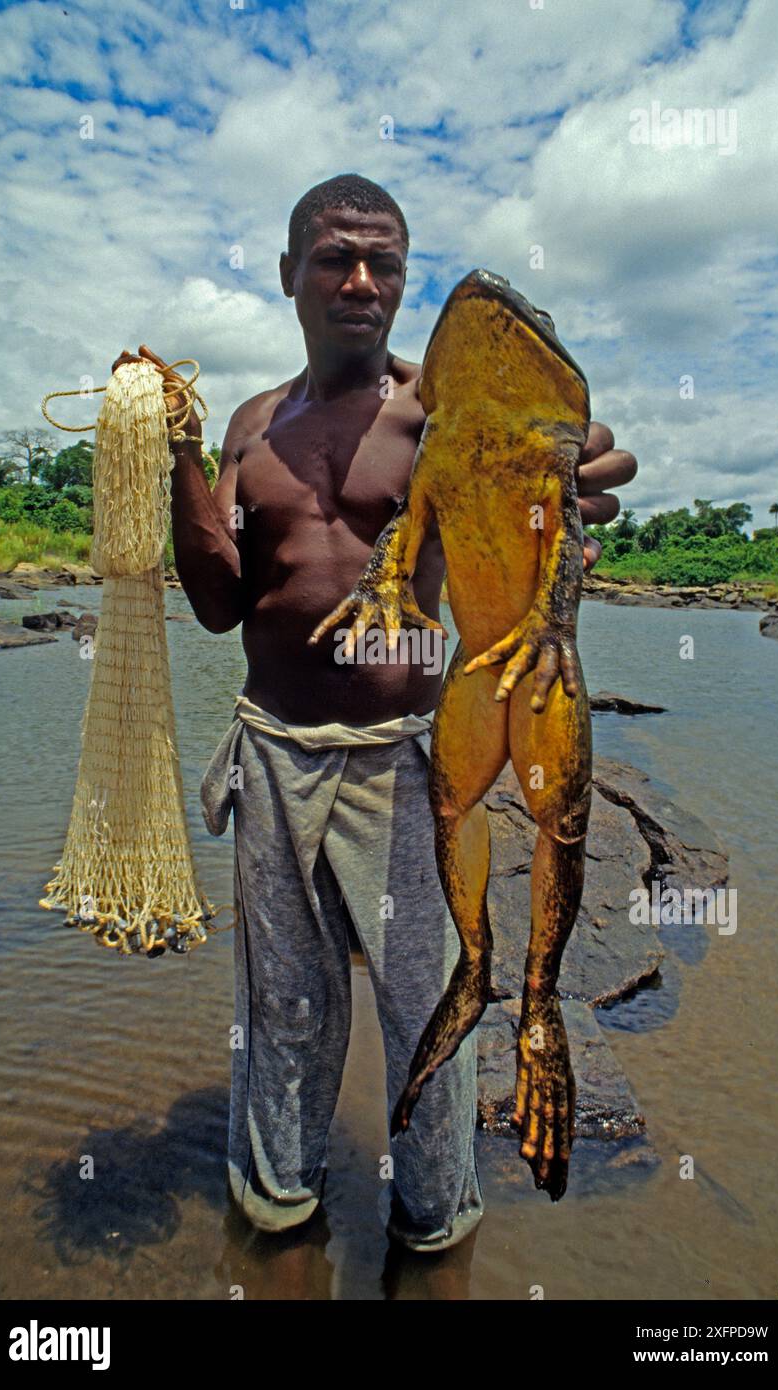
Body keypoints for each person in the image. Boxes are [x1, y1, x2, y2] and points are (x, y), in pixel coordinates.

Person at [117, 173, 637, 1254]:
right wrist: (175, 444)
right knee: (283, 1013)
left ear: (402, 282)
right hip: (271, 753)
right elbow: (217, 604)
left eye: (384, 262)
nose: (360, 280)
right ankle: (278, 1208)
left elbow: (582, 454)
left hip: (405, 763)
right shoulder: (253, 427)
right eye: (335, 258)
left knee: (423, 1003)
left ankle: (435, 1221)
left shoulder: (442, 414)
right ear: (289, 276)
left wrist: (572, 472)